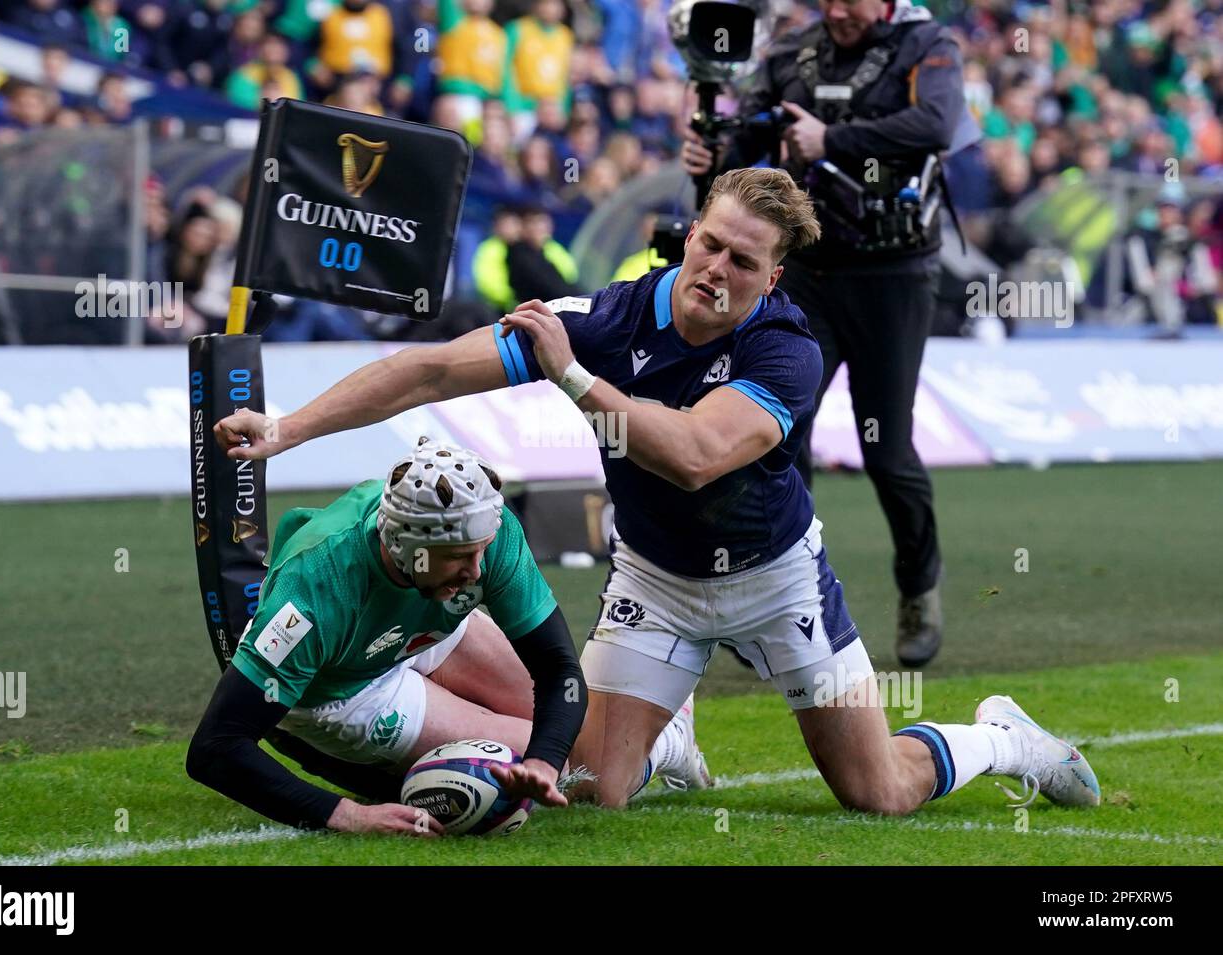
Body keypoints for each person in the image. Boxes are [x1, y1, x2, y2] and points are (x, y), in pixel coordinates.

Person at [213, 167, 1101, 817]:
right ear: (691, 234)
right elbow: (431, 371)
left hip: (775, 579)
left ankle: (1001, 736)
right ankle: (665, 737)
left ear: (772, 279)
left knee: (878, 794)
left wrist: (573, 381)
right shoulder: (606, 318)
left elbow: (697, 455)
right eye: (709, 243)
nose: (717, 268)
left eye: (744, 261)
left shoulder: (785, 351)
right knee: (596, 789)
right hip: (655, 583)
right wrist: (287, 429)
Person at [681, 0, 965, 667]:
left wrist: (831, 141)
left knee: (886, 449)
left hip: (896, 274)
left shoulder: (927, 45)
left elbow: (937, 122)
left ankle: (919, 586)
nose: (838, 10)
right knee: (778, 433)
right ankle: (786, 602)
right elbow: (741, 162)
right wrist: (707, 157)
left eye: (852, 0)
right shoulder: (790, 53)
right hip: (809, 273)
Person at [186, 438, 588, 835]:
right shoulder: (313, 592)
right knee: (577, 768)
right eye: (459, 557)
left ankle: (652, 742)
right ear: (405, 545)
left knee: (575, 745)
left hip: (422, 618)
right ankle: (325, 750)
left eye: (481, 551)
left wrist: (542, 763)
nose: (477, 572)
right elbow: (217, 747)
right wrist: (346, 815)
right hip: (343, 689)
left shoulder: (482, 526)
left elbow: (558, 670)